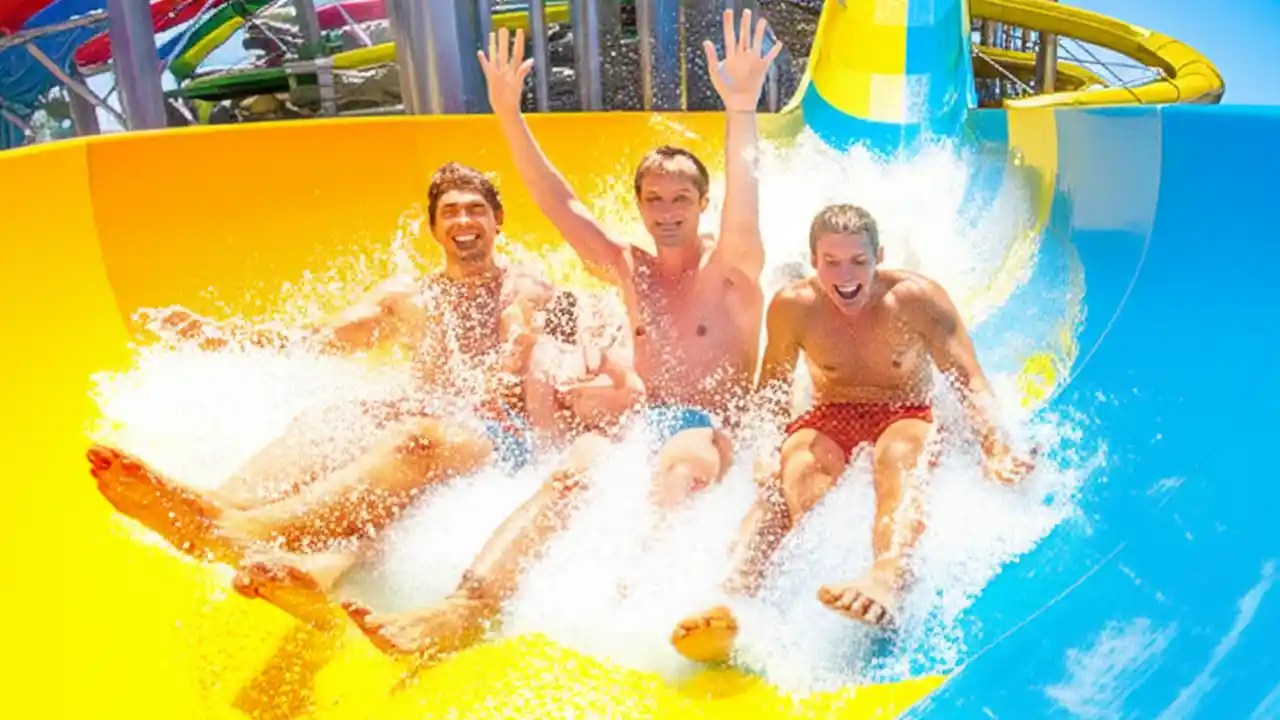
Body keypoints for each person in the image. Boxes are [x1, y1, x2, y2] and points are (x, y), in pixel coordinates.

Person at [339, 10, 782, 661]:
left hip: (714, 429)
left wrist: (740, 106)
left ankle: (661, 597)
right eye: (653, 200)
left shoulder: (732, 270)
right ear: (637, 206)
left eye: (680, 199)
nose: (666, 212)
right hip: (644, 423)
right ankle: (467, 604)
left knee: (682, 462)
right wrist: (507, 113)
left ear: (701, 204)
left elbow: (746, 197)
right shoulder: (628, 268)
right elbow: (558, 203)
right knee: (571, 474)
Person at [86, 163, 638, 623]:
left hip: (495, 439)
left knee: (413, 441)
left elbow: (524, 330)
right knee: (333, 419)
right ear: (433, 228)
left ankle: (235, 529)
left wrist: (507, 367)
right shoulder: (407, 298)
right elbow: (317, 340)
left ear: (498, 223)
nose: (464, 221)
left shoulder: (522, 282)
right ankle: (238, 515)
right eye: (451, 212)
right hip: (429, 425)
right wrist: (220, 336)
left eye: (476, 210)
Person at [669, 204, 1037, 663]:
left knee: (899, 458)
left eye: (858, 262)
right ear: (814, 261)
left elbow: (970, 381)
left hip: (903, 409)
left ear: (878, 256)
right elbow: (772, 392)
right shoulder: (794, 306)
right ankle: (732, 596)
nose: (845, 275)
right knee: (792, 475)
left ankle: (888, 575)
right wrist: (765, 451)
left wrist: (996, 447)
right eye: (832, 262)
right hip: (831, 412)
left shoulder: (917, 300)